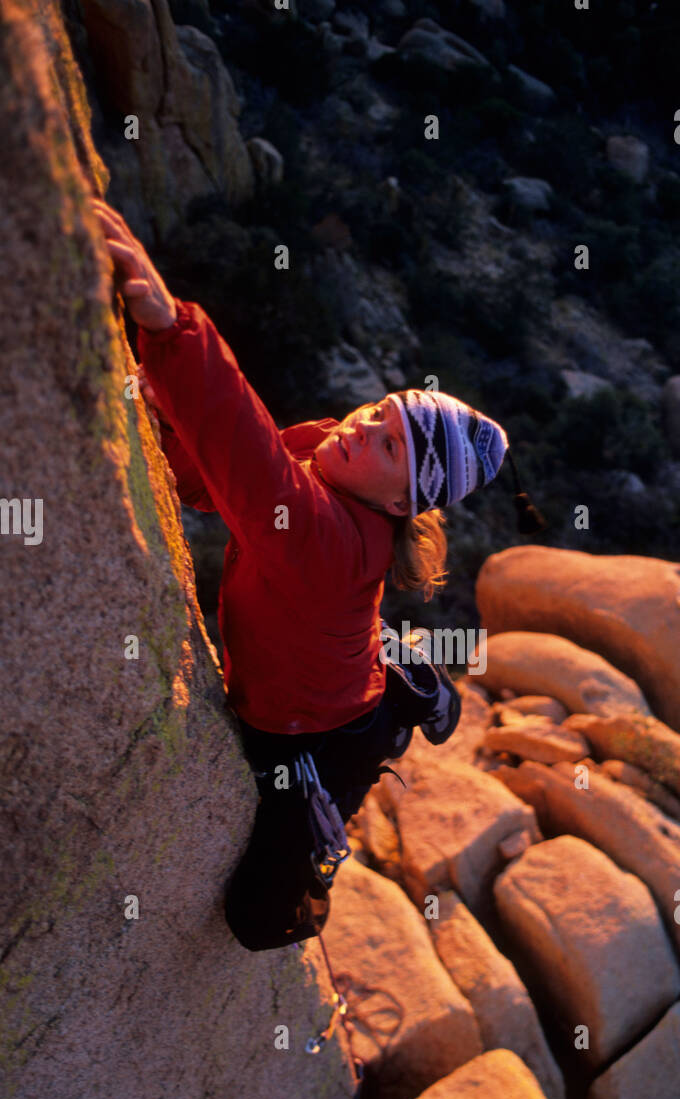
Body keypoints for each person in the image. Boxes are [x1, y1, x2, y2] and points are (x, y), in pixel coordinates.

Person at [93, 199, 524, 952]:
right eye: (380, 412)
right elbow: (218, 485)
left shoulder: (334, 541)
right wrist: (167, 412)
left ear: (399, 501)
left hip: (312, 733)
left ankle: (380, 723)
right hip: (317, 666)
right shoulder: (327, 447)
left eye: (388, 444)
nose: (363, 426)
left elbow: (255, 472)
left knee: (258, 921)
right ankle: (395, 672)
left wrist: (172, 330)